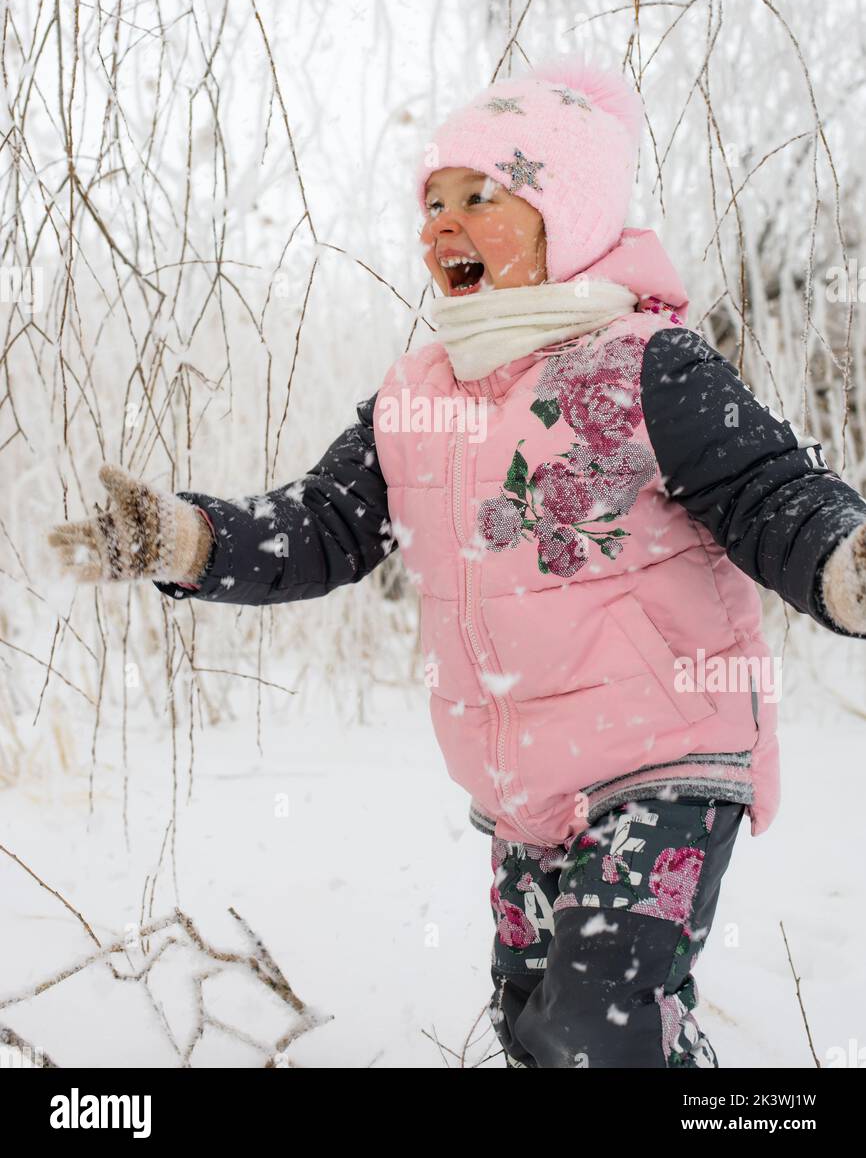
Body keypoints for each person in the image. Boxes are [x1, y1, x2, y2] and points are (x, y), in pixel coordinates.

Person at [47, 55, 866, 1068]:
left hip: (665, 757)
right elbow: (322, 526)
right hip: (524, 785)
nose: (442, 222)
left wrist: (843, 562)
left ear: (561, 218)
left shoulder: (647, 363)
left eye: (481, 196)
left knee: (595, 1031)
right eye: (431, 201)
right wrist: (187, 540)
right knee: (529, 1020)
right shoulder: (415, 396)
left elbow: (768, 493)